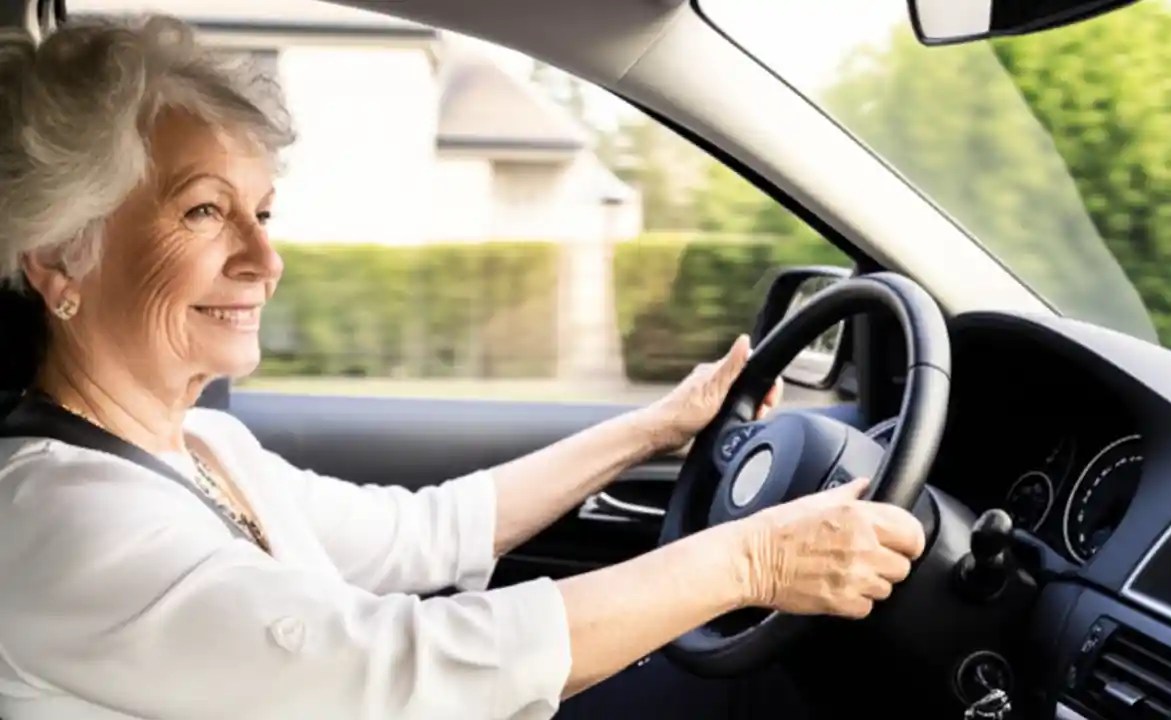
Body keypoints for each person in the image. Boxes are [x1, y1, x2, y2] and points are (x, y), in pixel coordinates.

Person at [0, 14, 927, 720]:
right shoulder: (58, 524)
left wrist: (658, 425)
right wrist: (753, 558)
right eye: (203, 212)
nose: (264, 260)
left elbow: (428, 531)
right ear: (56, 257)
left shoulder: (206, 442)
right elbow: (407, 662)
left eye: (263, 213)